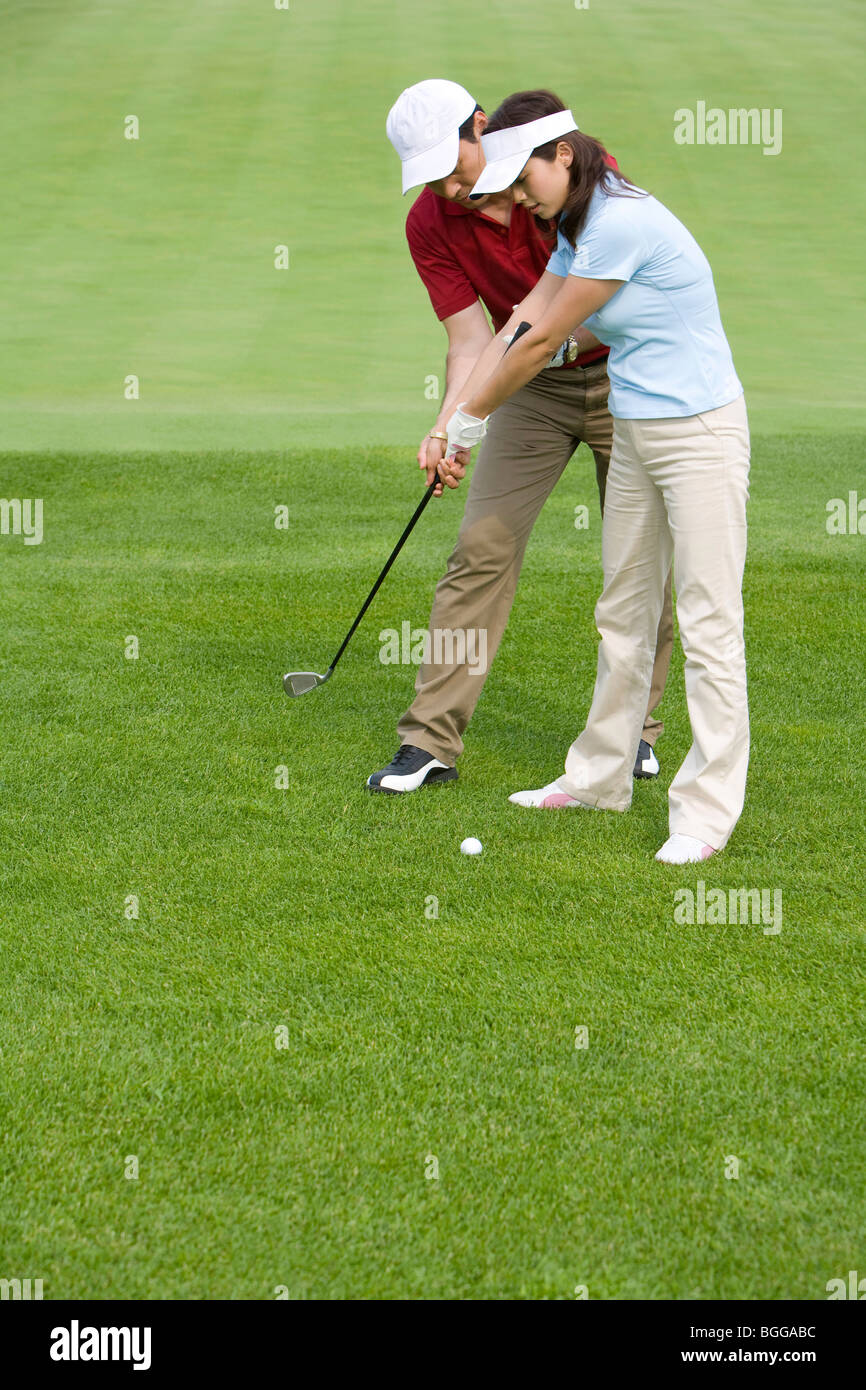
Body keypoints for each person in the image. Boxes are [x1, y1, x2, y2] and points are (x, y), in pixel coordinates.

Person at [445, 90, 750, 864]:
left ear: (566, 157)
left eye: (526, 177)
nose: (518, 195)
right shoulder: (578, 225)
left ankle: (704, 815)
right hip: (642, 427)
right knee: (623, 607)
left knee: (709, 618)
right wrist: (457, 417)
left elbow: (544, 334)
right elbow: (523, 314)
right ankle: (598, 778)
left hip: (701, 433)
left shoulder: (620, 223)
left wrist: (474, 418)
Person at [369, 78, 673, 794]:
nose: (447, 187)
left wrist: (494, 390)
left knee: (637, 561)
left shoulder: (570, 174)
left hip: (628, 379)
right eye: (431, 177)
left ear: (482, 127)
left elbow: (607, 303)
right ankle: (429, 742)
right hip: (529, 388)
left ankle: (633, 731)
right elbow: (470, 338)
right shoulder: (430, 222)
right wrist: (447, 425)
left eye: (454, 164)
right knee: (479, 551)